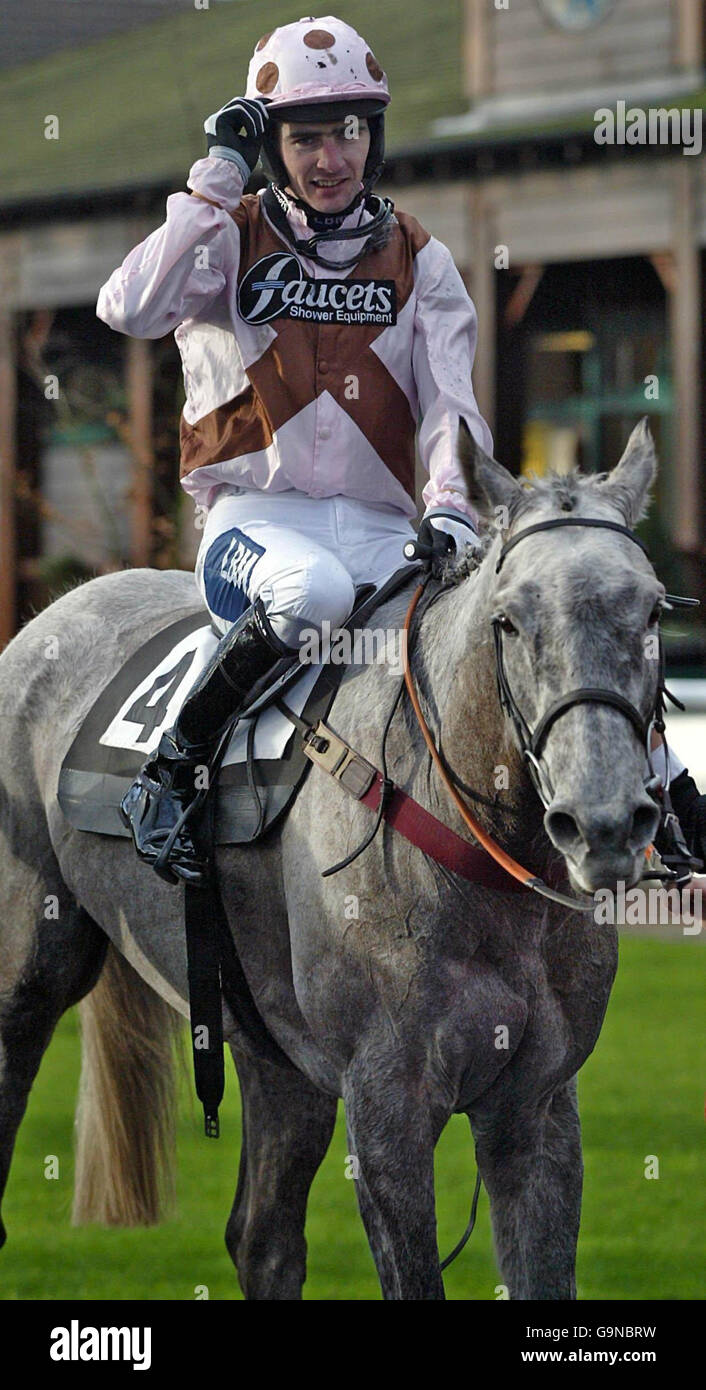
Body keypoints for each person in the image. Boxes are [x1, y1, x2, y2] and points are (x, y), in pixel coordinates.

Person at [97, 15, 706, 891]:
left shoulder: (421, 259)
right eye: (304, 138)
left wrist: (454, 510)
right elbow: (129, 307)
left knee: (543, 596)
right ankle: (174, 770)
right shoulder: (223, 234)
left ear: (371, 137)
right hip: (255, 529)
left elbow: (450, 409)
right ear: (270, 143)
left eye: (348, 133)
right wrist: (214, 179)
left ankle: (666, 791)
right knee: (316, 593)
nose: (330, 159)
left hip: (391, 534)